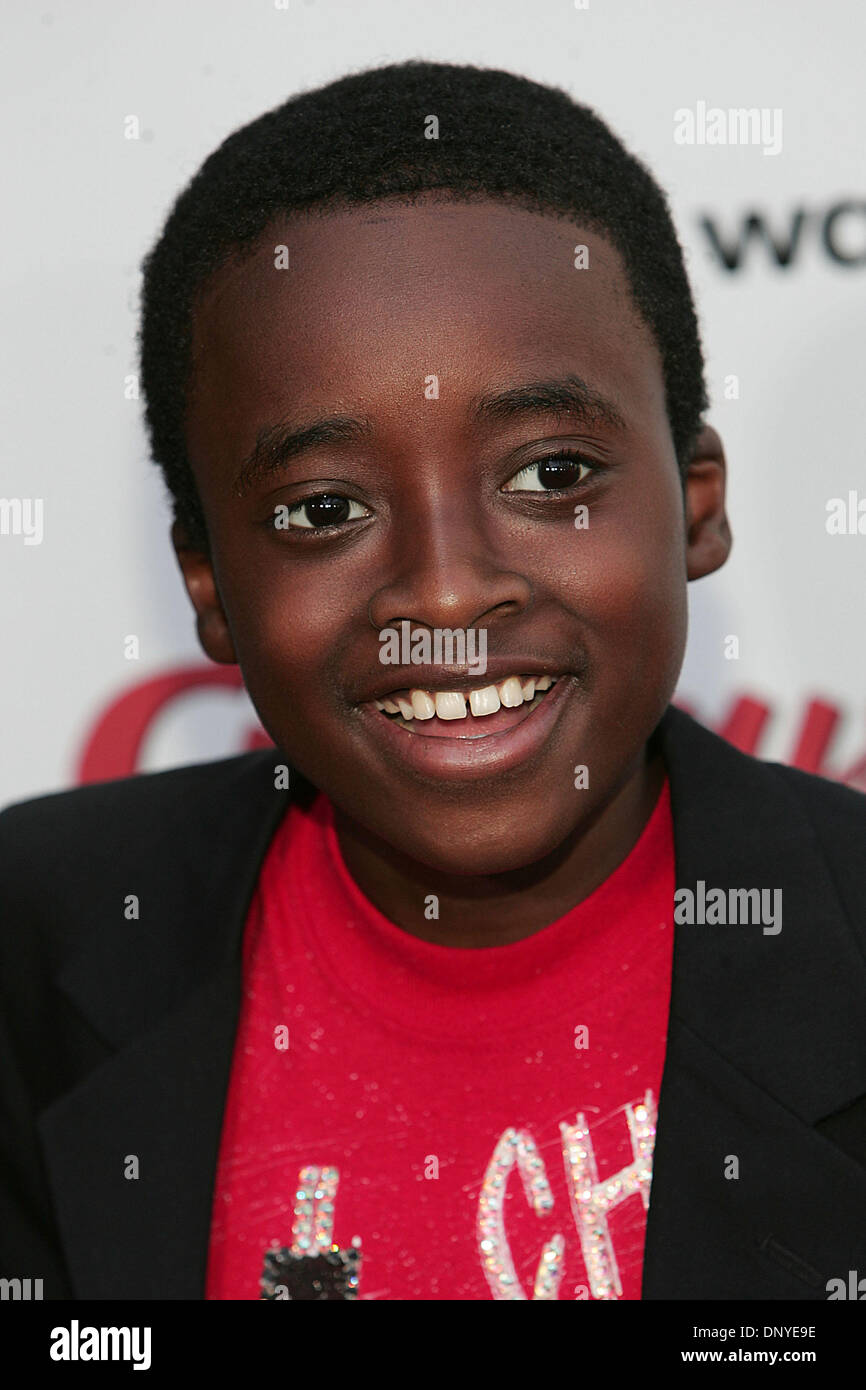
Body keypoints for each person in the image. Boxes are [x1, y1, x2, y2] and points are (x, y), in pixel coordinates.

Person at [2, 60, 865, 1303]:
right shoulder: (40, 944)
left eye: (552, 476)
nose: (447, 595)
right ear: (207, 582)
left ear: (694, 504)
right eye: (323, 507)